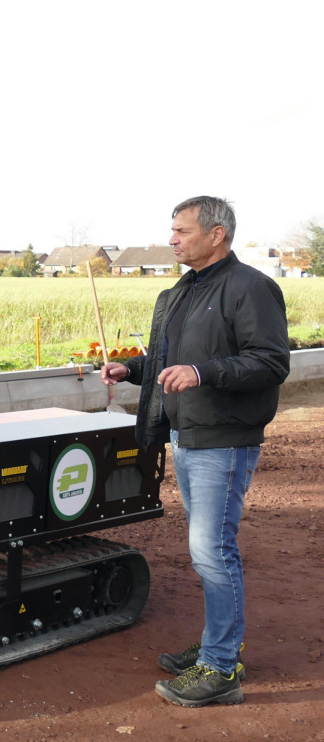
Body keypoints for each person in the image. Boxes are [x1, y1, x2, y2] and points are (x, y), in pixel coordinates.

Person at [101, 195, 289, 708]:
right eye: (173, 229)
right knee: (207, 550)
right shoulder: (183, 290)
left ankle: (222, 668)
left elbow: (271, 362)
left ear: (217, 234)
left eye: (182, 230)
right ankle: (218, 646)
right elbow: (173, 358)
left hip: (223, 440)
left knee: (213, 551)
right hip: (187, 433)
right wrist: (134, 369)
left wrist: (204, 373)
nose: (172, 238)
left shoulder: (252, 288)